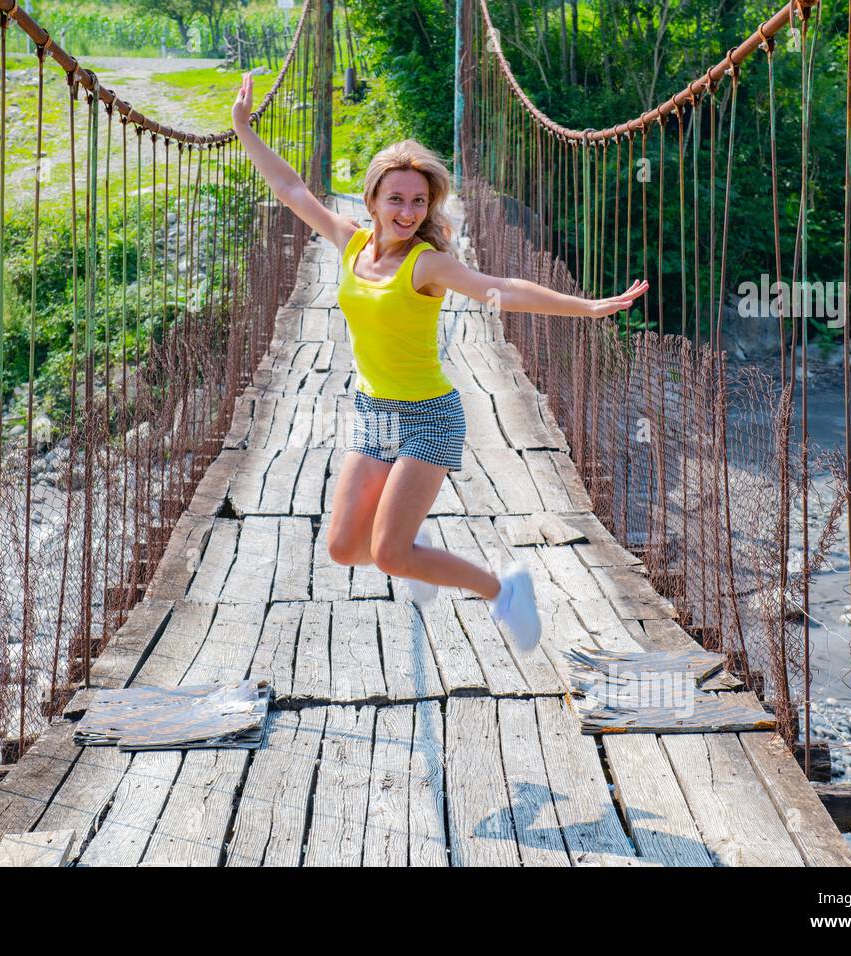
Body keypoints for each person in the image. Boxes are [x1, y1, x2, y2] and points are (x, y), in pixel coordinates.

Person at [231, 71, 648, 652]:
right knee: (344, 549)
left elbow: (502, 285)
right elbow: (294, 190)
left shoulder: (426, 264)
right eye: (395, 198)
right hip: (374, 411)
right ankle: (415, 544)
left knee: (390, 553)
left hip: (428, 416)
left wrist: (587, 306)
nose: (406, 211)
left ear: (429, 207)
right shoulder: (352, 243)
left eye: (418, 201)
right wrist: (243, 128)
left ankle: (503, 590)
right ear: (371, 199)